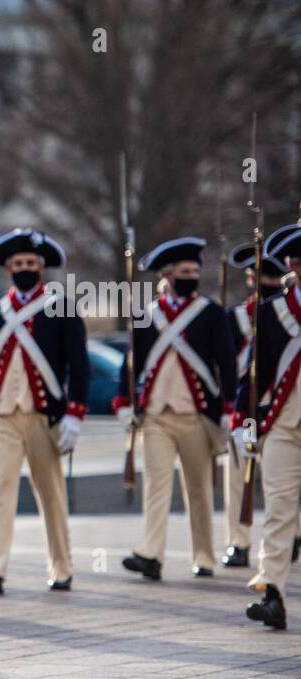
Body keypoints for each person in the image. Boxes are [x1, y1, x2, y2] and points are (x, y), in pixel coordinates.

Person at [0, 228, 88, 595]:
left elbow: (77, 365)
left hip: (43, 414)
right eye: (18, 264)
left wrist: (75, 413)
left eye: (31, 263)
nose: (24, 268)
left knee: (50, 492)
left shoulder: (60, 306)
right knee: (0, 490)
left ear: (42, 267)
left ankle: (61, 567)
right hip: (2, 414)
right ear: (8, 270)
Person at [114, 237, 236, 581]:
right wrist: (124, 402)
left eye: (195, 271)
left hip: (196, 415)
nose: (191, 276)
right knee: (156, 485)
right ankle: (151, 554)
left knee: (198, 489)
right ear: (166, 275)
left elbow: (226, 363)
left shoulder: (211, 313)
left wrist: (229, 407)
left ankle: (204, 556)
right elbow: (131, 363)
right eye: (184, 271)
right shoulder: (146, 314)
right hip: (156, 415)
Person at [239, 224, 301, 629]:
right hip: (282, 422)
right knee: (278, 509)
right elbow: (254, 375)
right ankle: (272, 592)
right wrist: (247, 423)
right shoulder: (270, 311)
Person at [222, 243, 289, 567]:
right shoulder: (235, 319)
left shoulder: (284, 314)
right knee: (238, 476)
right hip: (246, 404)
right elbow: (223, 364)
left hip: (282, 404)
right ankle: (238, 540)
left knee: (285, 480)